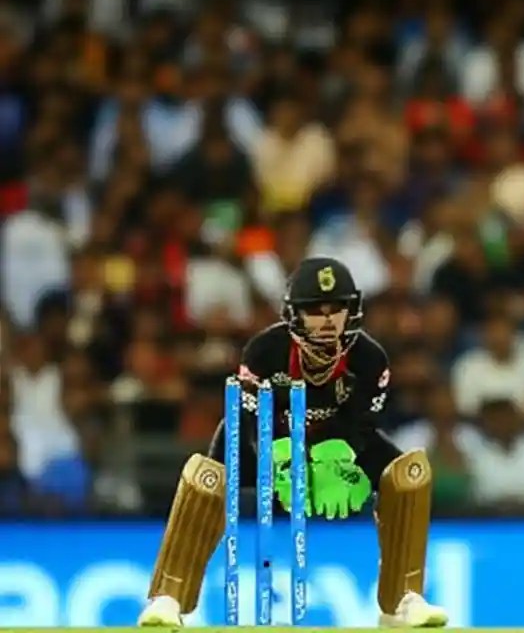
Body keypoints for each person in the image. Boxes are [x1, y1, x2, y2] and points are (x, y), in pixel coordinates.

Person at [138, 257, 448, 628]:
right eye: (316, 310)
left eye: (338, 308)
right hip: (264, 441)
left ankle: (405, 599)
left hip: (335, 442)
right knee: (206, 478)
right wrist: (278, 456)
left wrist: (337, 456)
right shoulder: (264, 352)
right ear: (294, 315)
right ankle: (167, 598)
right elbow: (249, 417)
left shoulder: (370, 359)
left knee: (409, 474)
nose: (329, 320)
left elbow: (362, 423)